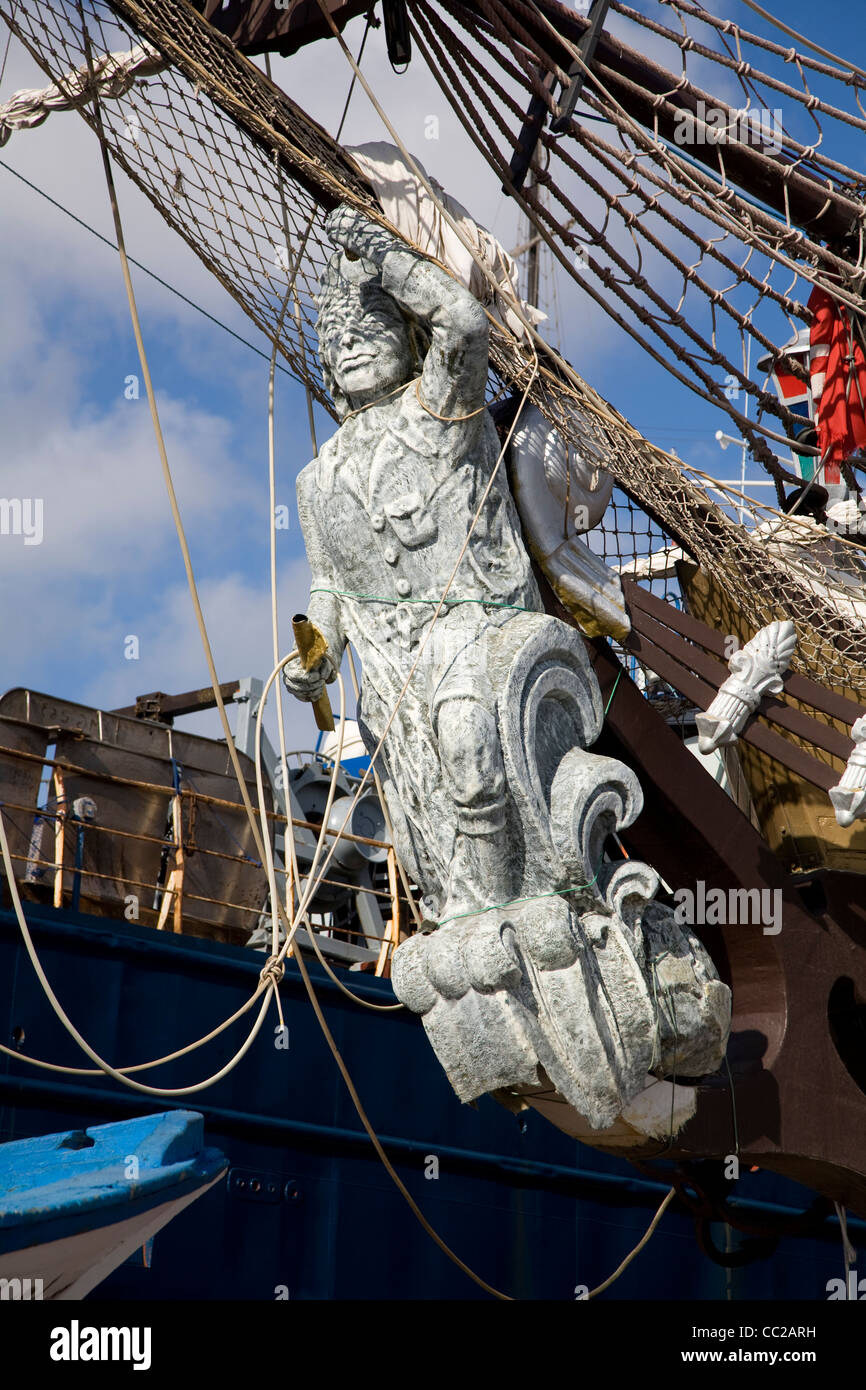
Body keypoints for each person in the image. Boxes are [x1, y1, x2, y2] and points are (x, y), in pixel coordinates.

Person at [282, 204, 551, 923]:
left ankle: (511, 908)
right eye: (337, 340)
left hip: (475, 631)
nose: (353, 347)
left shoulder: (440, 405)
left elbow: (463, 324)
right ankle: (461, 912)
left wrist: (379, 251)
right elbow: (329, 585)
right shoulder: (316, 480)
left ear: (405, 336)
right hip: (392, 680)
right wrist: (320, 652)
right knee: (422, 817)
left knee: (469, 750)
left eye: (370, 331)